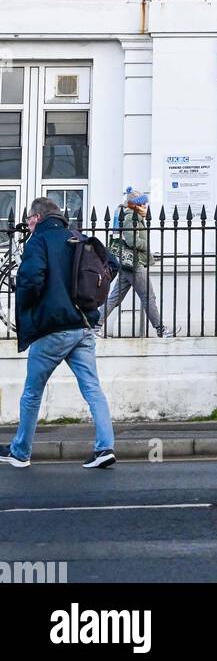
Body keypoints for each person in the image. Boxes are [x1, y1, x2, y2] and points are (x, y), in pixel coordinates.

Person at [0, 197, 118, 469]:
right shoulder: (78, 238)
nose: (28, 225)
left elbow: (30, 280)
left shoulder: (38, 242)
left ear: (37, 218)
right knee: (92, 388)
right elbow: (109, 266)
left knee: (32, 391)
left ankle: (20, 451)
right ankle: (105, 447)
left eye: (29, 220)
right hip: (84, 327)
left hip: (53, 329)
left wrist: (31, 308)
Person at [100, 188, 174, 338]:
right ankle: (161, 329)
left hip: (128, 263)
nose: (145, 207)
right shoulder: (130, 216)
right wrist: (146, 246)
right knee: (148, 296)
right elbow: (131, 240)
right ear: (135, 205)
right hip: (134, 263)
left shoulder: (134, 216)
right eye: (143, 204)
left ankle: (95, 326)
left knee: (115, 297)